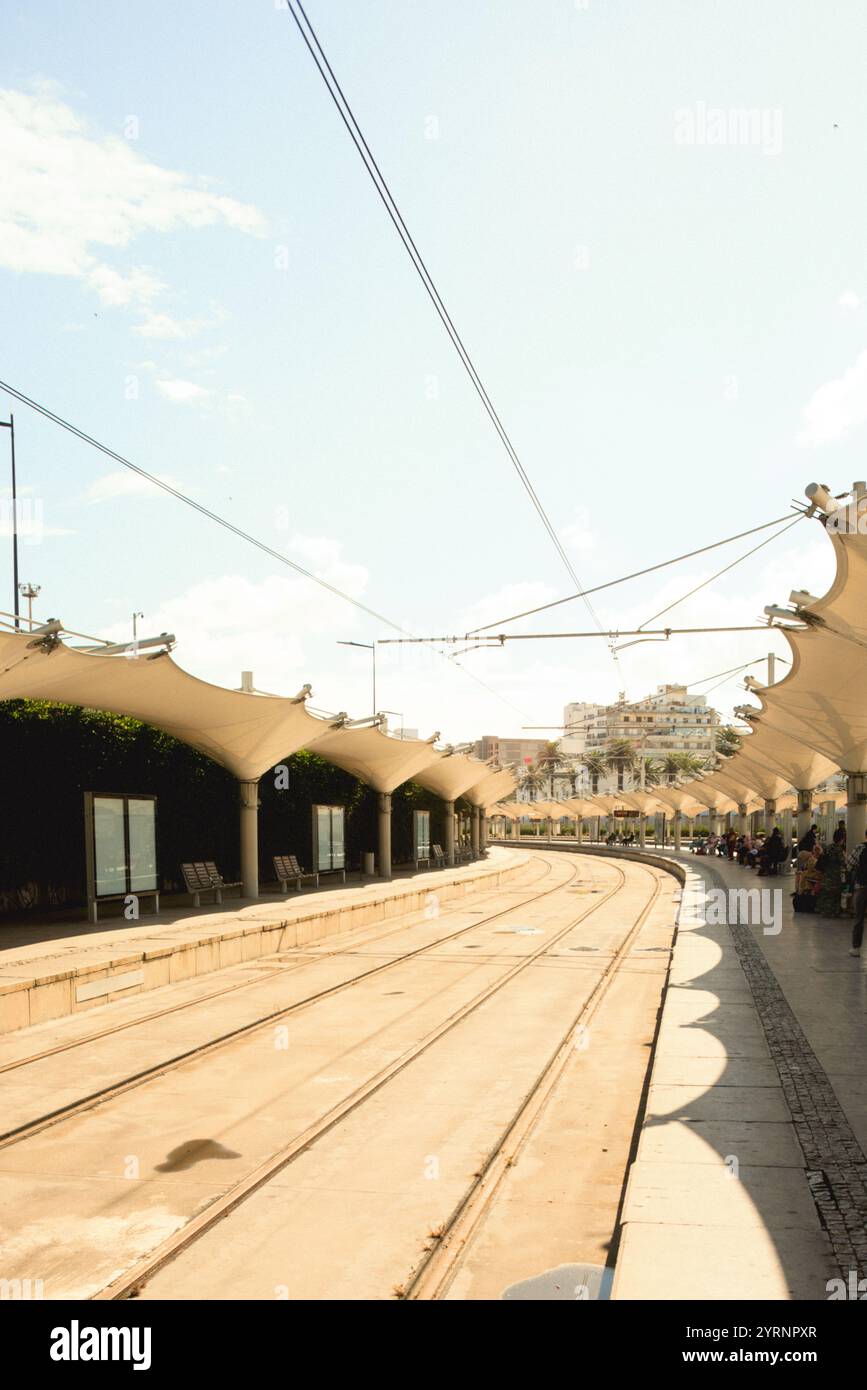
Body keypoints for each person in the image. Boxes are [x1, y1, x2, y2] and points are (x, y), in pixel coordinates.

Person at [816, 842, 845, 917]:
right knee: (835, 893)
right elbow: (843, 862)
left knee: (826, 892)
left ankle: (824, 910)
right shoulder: (838, 850)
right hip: (834, 875)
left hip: (826, 874)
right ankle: (834, 911)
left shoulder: (828, 847)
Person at [849, 833, 867, 955]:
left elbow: (849, 863)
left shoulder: (860, 848)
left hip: (862, 886)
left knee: (859, 917)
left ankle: (856, 948)